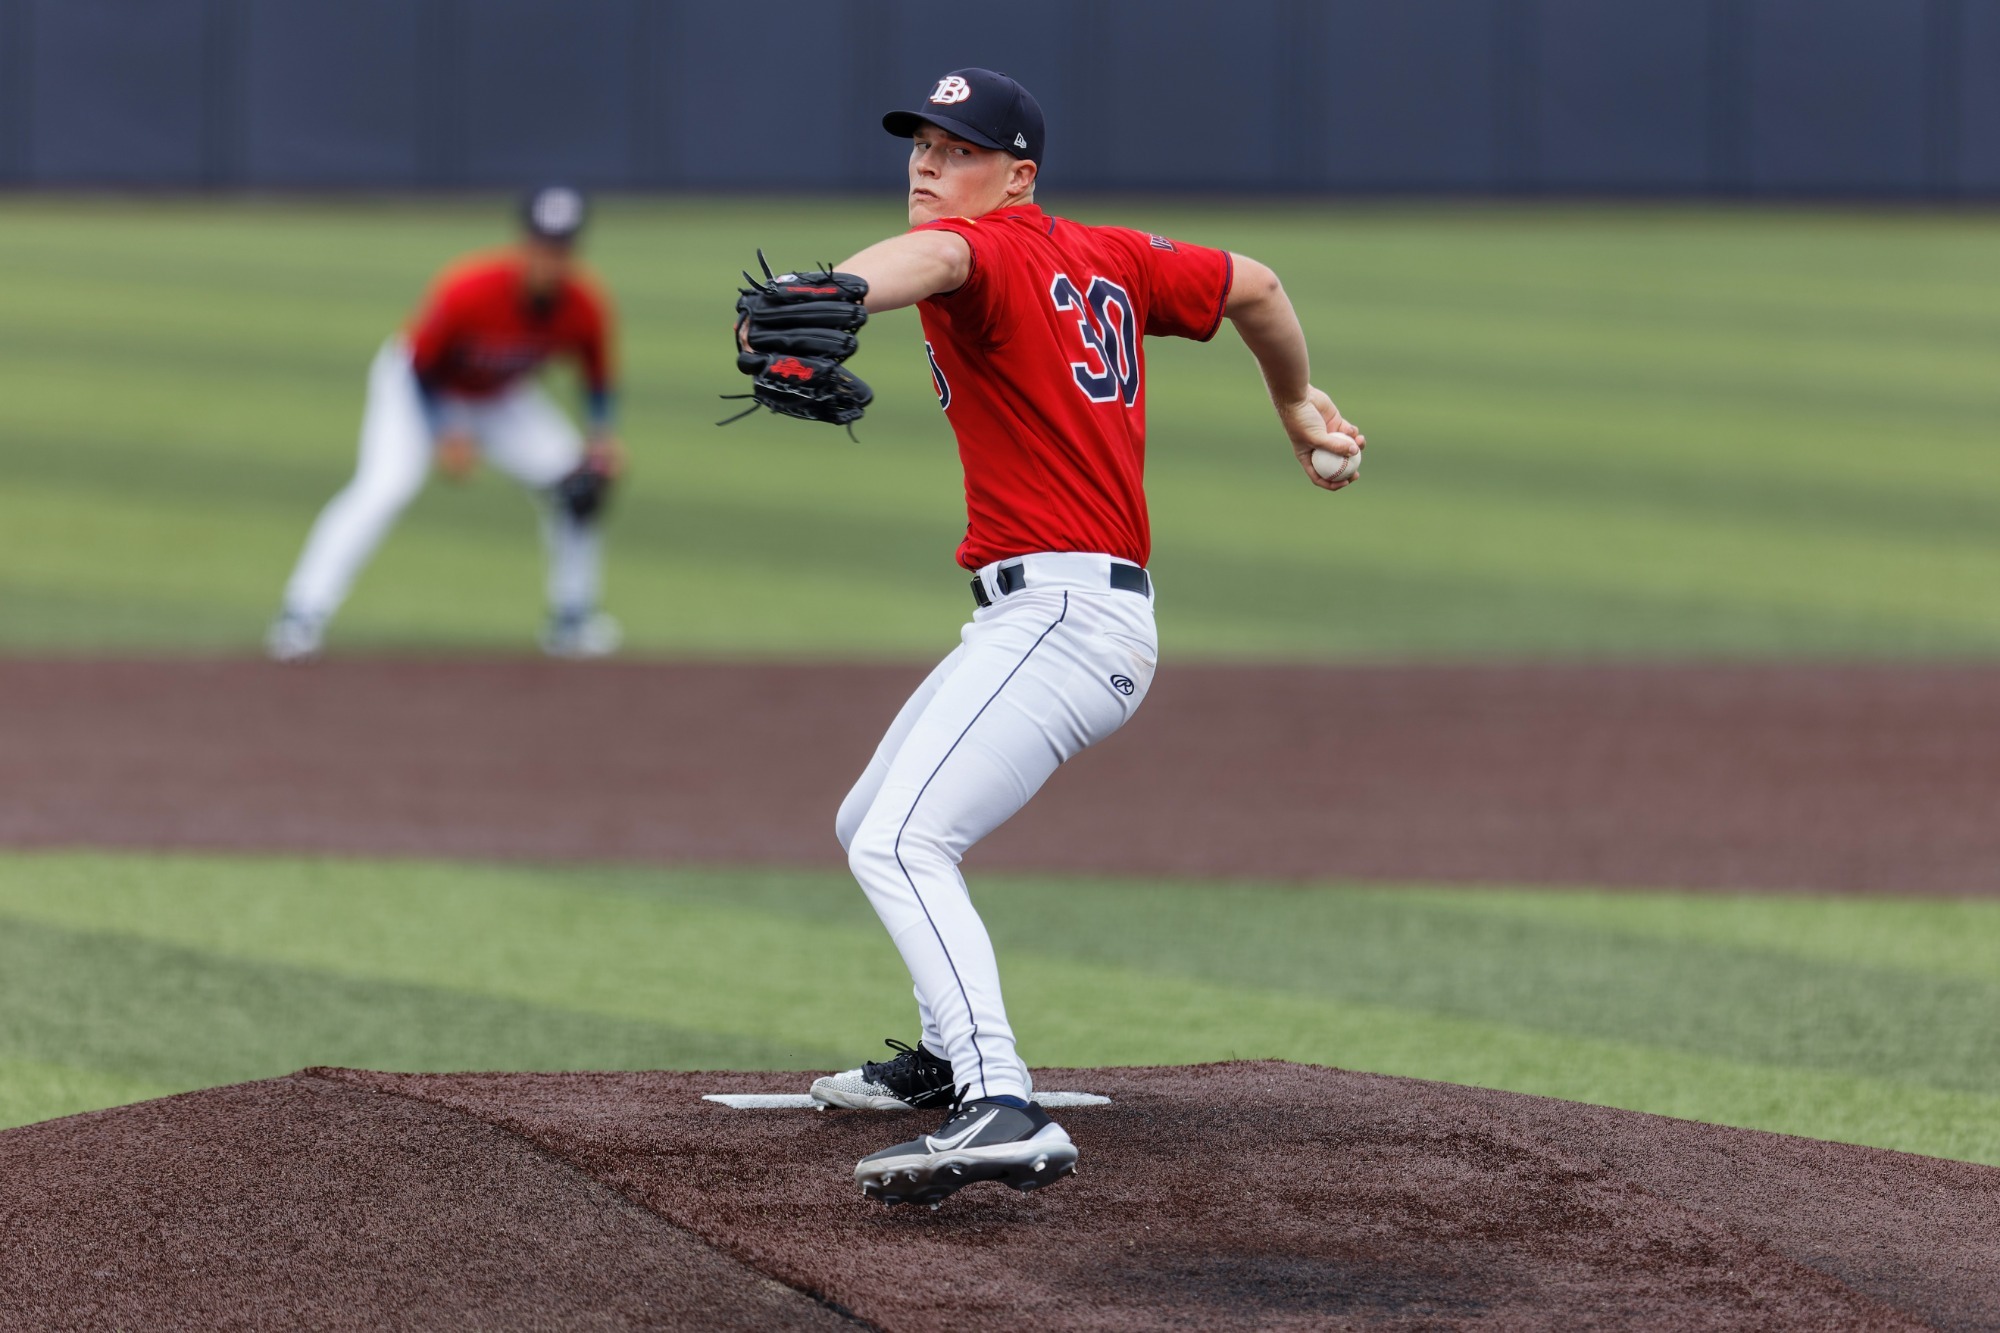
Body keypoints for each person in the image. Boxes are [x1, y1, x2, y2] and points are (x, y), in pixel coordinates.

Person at [781, 68, 1364, 1206]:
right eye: (920, 143)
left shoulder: (984, 248)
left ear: (1018, 176)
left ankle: (999, 1098)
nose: (926, 163)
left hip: (1061, 617)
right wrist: (1295, 400)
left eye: (957, 149)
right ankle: (944, 1053)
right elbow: (1256, 284)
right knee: (867, 818)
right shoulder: (1113, 255)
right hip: (1054, 613)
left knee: (899, 842)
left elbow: (934, 262)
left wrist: (839, 287)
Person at [267, 186, 625, 662]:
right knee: (385, 487)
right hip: (416, 388)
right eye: (543, 244)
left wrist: (601, 437)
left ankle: (572, 618)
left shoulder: (584, 304)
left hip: (498, 397)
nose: (551, 258)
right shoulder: (469, 289)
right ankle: (301, 612)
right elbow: (420, 368)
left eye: (561, 247)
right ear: (524, 243)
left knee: (579, 484)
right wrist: (444, 432)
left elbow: (597, 376)